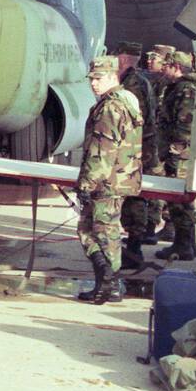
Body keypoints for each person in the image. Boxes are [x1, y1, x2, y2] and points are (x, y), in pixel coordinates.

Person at [76, 55, 144, 304]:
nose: (93, 84)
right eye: (91, 79)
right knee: (108, 231)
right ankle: (109, 285)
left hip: (106, 181)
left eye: (99, 78)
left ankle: (107, 284)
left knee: (92, 231)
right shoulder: (127, 101)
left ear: (113, 76)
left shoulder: (109, 108)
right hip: (121, 178)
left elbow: (102, 151)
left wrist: (86, 184)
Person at [114, 41, 158, 270]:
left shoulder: (133, 85)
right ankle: (134, 241)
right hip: (140, 146)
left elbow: (131, 121)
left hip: (136, 147)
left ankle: (134, 245)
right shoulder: (140, 81)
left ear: (123, 58)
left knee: (134, 196)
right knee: (134, 194)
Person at [155, 49, 196, 261]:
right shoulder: (178, 87)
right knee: (184, 199)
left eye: (168, 66)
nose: (164, 69)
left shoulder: (186, 89)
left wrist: (175, 150)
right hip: (178, 151)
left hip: (180, 153)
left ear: (177, 67)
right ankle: (189, 243)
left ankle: (183, 245)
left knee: (179, 199)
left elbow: (185, 123)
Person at [146, 43, 176, 244]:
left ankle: (152, 226)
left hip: (165, 145)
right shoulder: (158, 82)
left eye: (153, 58)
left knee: (158, 185)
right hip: (159, 142)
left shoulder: (168, 85)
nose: (149, 61)